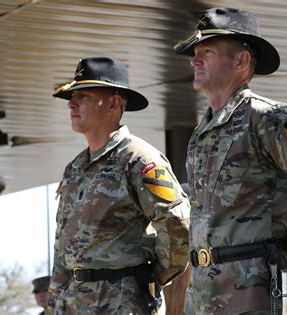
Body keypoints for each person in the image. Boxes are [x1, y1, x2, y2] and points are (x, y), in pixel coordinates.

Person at [174, 7, 287, 314]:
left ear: (241, 61)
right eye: (195, 53)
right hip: (204, 296)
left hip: (256, 293)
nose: (195, 60)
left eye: (208, 52)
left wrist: (283, 251)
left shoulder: (270, 119)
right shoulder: (201, 133)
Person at [47, 56, 190, 314]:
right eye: (72, 97)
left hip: (122, 302)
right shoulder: (75, 168)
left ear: (113, 103)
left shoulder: (139, 159)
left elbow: (177, 226)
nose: (72, 104)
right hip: (75, 302)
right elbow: (62, 244)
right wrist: (55, 302)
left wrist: (147, 276)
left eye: (84, 96)